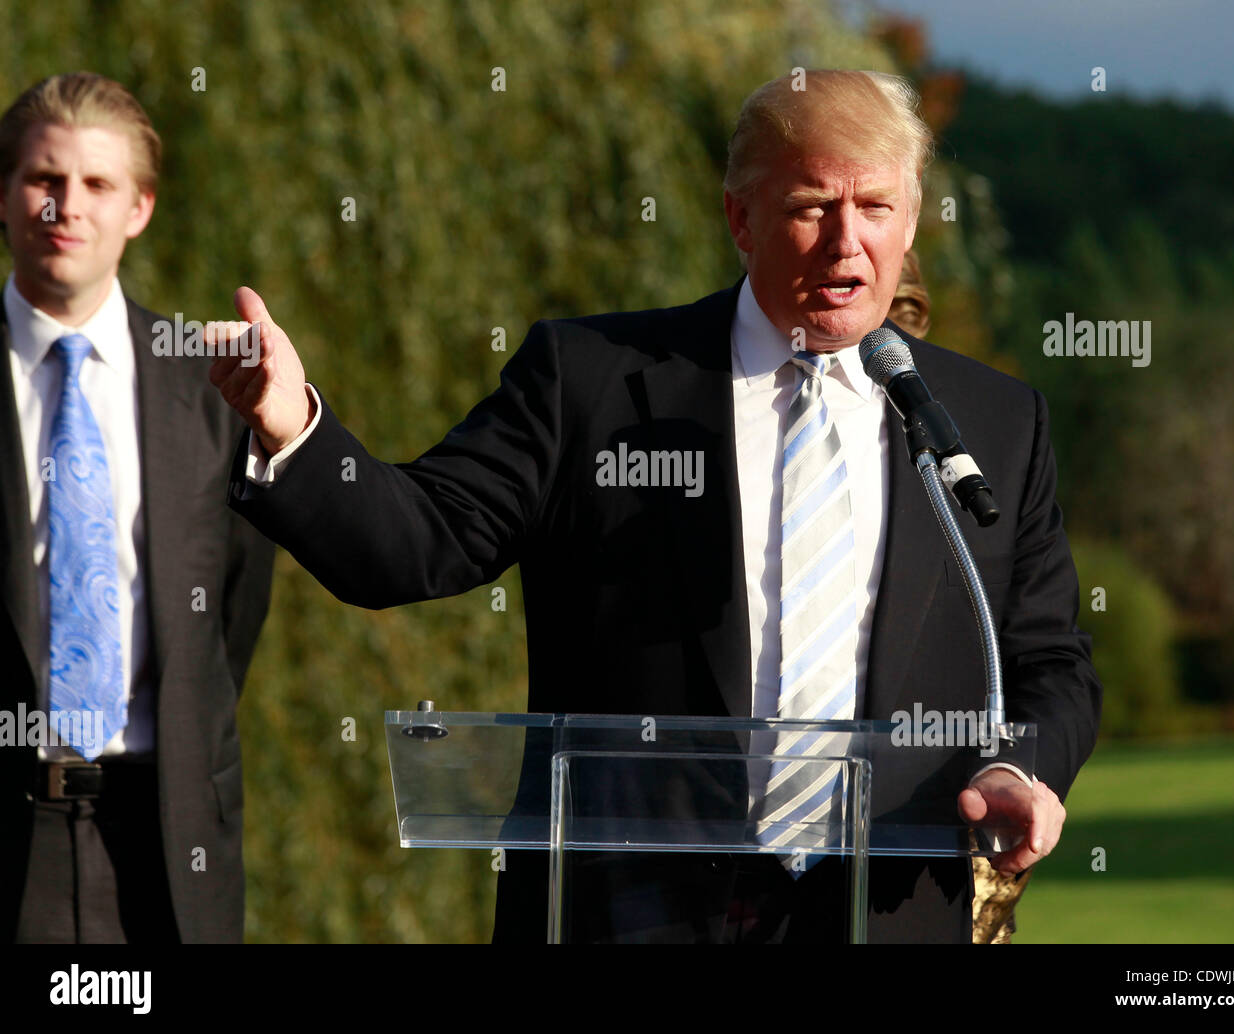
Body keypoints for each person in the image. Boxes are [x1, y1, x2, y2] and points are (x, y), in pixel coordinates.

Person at [210, 69, 1101, 942]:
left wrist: (1021, 767)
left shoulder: (990, 420)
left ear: (910, 222)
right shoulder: (591, 382)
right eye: (810, 207)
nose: (845, 243)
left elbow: (1049, 661)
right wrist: (294, 430)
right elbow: (412, 546)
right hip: (626, 907)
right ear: (739, 219)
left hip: (889, 908)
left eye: (874, 208)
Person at [0, 73, 275, 943]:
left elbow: (230, 616)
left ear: (140, 208)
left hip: (163, 844)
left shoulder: (209, 393)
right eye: (44, 180)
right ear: (4, 194)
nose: (64, 207)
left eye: (96, 185)